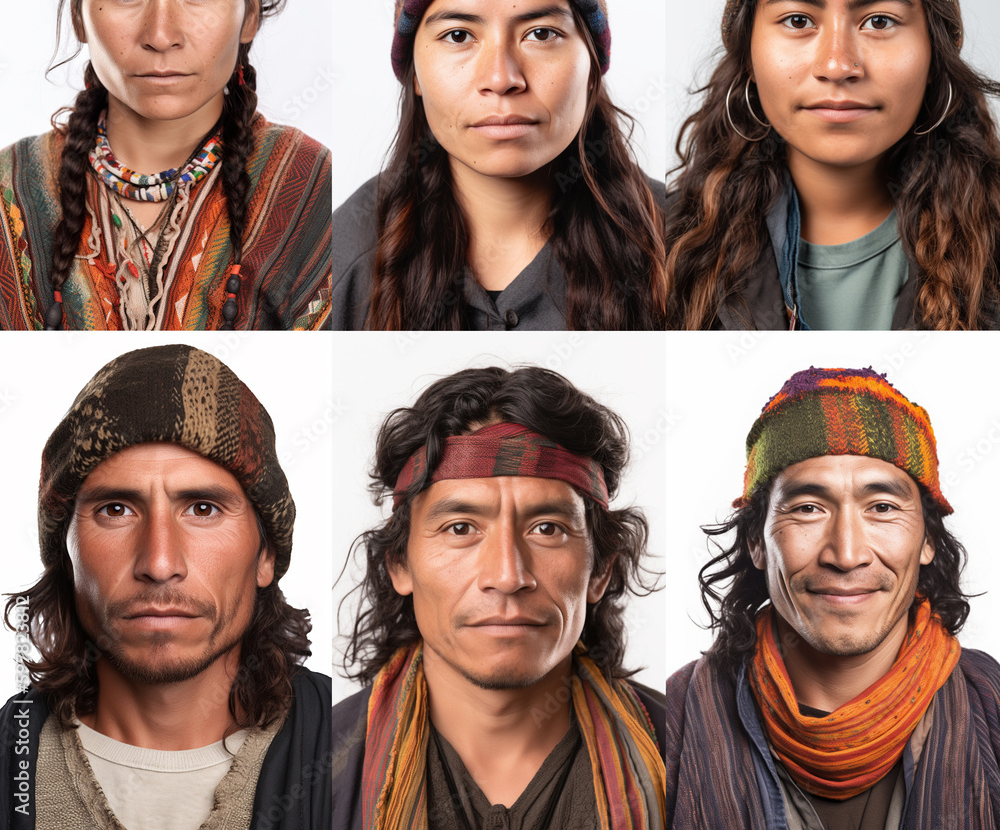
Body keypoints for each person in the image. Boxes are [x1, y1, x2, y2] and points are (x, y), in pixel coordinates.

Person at [665, 0, 1000, 330]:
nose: (838, 65)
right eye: (799, 19)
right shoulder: (659, 249)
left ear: (935, 46)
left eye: (880, 21)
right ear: (748, 50)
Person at [0, 344, 331, 829]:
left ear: (267, 555)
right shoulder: (12, 757)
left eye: (202, 508)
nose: (159, 563)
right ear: (64, 554)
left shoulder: (354, 748)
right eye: (116, 509)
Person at [0, 0, 332, 330]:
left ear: (252, 9)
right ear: (78, 13)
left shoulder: (310, 187)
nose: (161, 34)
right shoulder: (12, 191)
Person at [332, 0, 666, 331]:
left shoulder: (683, 242)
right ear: (416, 74)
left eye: (542, 33)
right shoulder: (340, 254)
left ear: (592, 66)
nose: (502, 77)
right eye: (458, 36)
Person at [666, 366, 1000, 829]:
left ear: (927, 540)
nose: (846, 555)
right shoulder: (671, 720)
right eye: (808, 509)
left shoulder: (992, 706)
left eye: (881, 508)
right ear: (757, 543)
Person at [333, 365, 666, 828]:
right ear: (399, 564)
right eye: (461, 528)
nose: (508, 575)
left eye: (547, 529)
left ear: (601, 569)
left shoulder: (690, 752)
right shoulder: (315, 769)